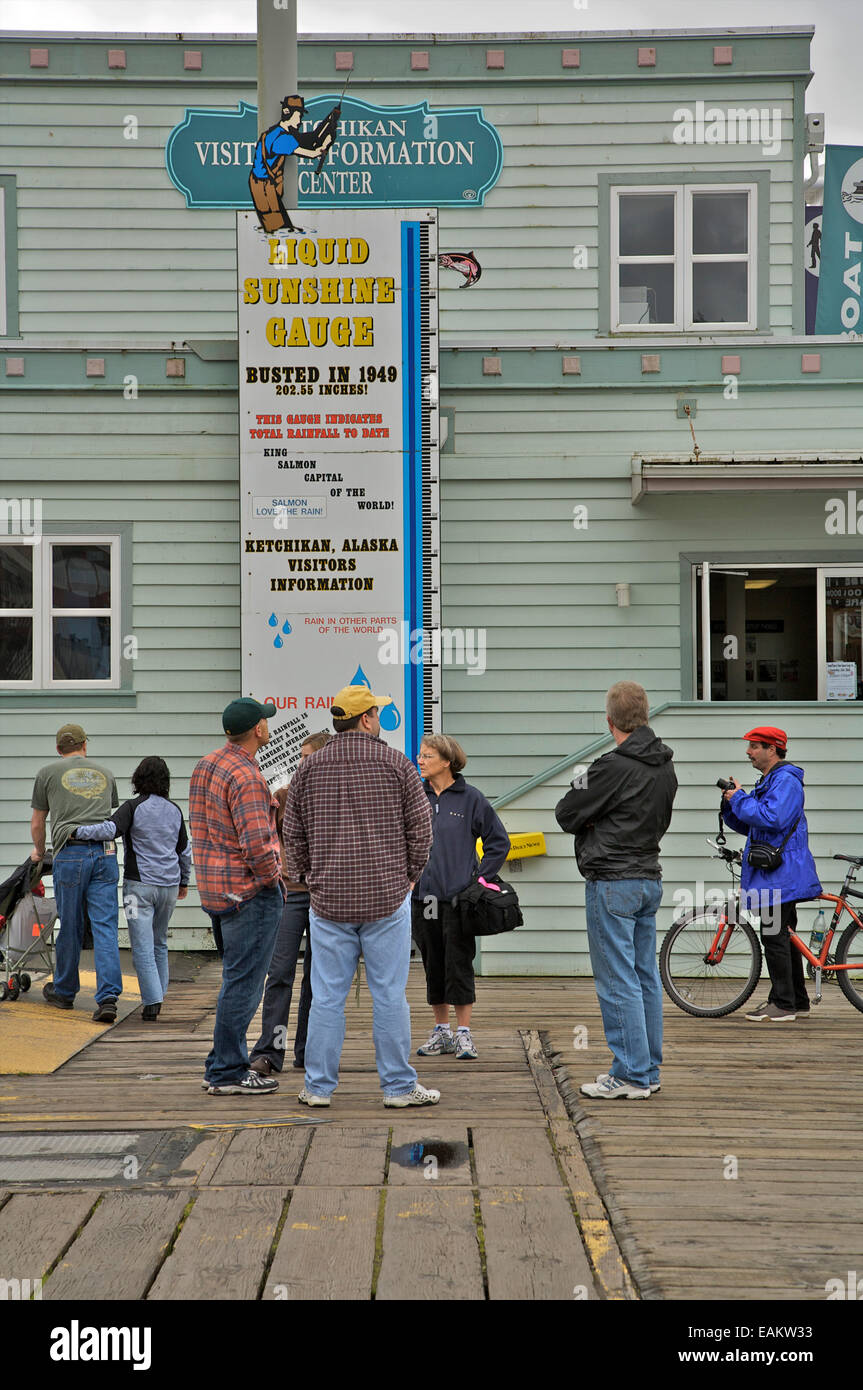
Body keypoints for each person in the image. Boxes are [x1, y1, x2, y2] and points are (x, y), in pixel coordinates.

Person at [281, 684, 438, 1108]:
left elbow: (291, 832)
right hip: (386, 898)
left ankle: (317, 1088)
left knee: (327, 997)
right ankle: (399, 1088)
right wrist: (409, 877)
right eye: (378, 713)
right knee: (389, 995)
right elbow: (422, 828)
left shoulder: (309, 769)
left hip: (328, 900)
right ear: (366, 718)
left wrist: (305, 877)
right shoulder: (397, 764)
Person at [555, 682, 677, 1100]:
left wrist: (595, 820)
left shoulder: (610, 766)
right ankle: (648, 1068)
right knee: (645, 977)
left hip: (612, 881)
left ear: (609, 721)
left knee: (617, 980)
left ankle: (629, 1074)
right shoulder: (665, 765)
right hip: (648, 877)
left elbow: (566, 811)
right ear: (645, 716)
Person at [189, 697, 284, 1096]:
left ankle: (220, 1063)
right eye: (265, 721)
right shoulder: (246, 776)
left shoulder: (206, 764)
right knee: (244, 984)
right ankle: (228, 1071)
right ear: (258, 730)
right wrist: (274, 880)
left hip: (215, 889)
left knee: (234, 979)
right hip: (249, 893)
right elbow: (256, 845)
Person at [413, 734, 510, 1061]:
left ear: (447, 761)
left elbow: (499, 842)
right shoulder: (415, 796)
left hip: (459, 901)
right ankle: (441, 1032)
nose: (421, 760)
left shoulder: (471, 799)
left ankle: (464, 1034)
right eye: (421, 755)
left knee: (459, 964)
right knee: (433, 964)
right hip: (423, 899)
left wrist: (479, 880)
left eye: (427, 756)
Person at [73, 757, 192, 1021]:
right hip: (170, 887)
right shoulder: (174, 810)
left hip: (139, 886)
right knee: (159, 942)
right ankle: (158, 995)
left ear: (138, 779)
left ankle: (151, 1004)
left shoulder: (133, 807)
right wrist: (184, 881)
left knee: (142, 945)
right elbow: (184, 850)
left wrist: (76, 831)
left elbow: (109, 830)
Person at [721, 725, 821, 1022]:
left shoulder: (785, 781)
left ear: (772, 749)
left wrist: (740, 798)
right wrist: (730, 805)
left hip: (781, 874)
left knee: (774, 935)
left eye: (754, 746)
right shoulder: (771, 780)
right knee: (784, 936)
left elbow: (772, 818)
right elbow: (754, 824)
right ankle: (797, 1000)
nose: (748, 752)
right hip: (777, 874)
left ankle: (782, 1003)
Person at [249, 730, 332, 1078]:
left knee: (319, 977)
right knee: (279, 973)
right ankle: (271, 1050)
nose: (301, 763)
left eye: (308, 757)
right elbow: (268, 841)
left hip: (326, 895)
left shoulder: (338, 798)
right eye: (300, 757)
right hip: (289, 893)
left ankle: (309, 1051)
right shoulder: (282, 796)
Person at [30, 723, 122, 1022]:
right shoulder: (106, 774)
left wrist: (41, 851)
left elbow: (38, 821)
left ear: (59, 749)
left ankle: (65, 991)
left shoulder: (46, 773)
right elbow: (110, 814)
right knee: (105, 925)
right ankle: (107, 997)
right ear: (85, 745)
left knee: (70, 923)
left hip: (70, 853)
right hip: (105, 853)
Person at [249, 93, 334, 234]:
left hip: (267, 182)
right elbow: (310, 152)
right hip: (263, 185)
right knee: (276, 230)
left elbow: (308, 139)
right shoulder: (281, 138)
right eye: (299, 116)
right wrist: (323, 146)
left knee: (281, 227)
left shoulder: (278, 133)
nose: (300, 121)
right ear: (288, 114)